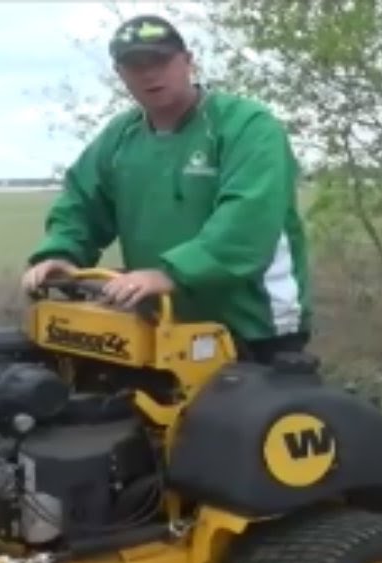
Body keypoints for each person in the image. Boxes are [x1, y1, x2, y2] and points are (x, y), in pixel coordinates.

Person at [21, 14, 312, 364]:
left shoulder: (246, 125)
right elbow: (82, 203)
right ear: (120, 74)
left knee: (245, 419)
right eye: (135, 64)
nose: (149, 74)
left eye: (160, 61)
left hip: (255, 324)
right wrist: (62, 254)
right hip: (163, 324)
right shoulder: (120, 136)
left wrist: (171, 274)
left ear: (188, 62)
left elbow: (247, 218)